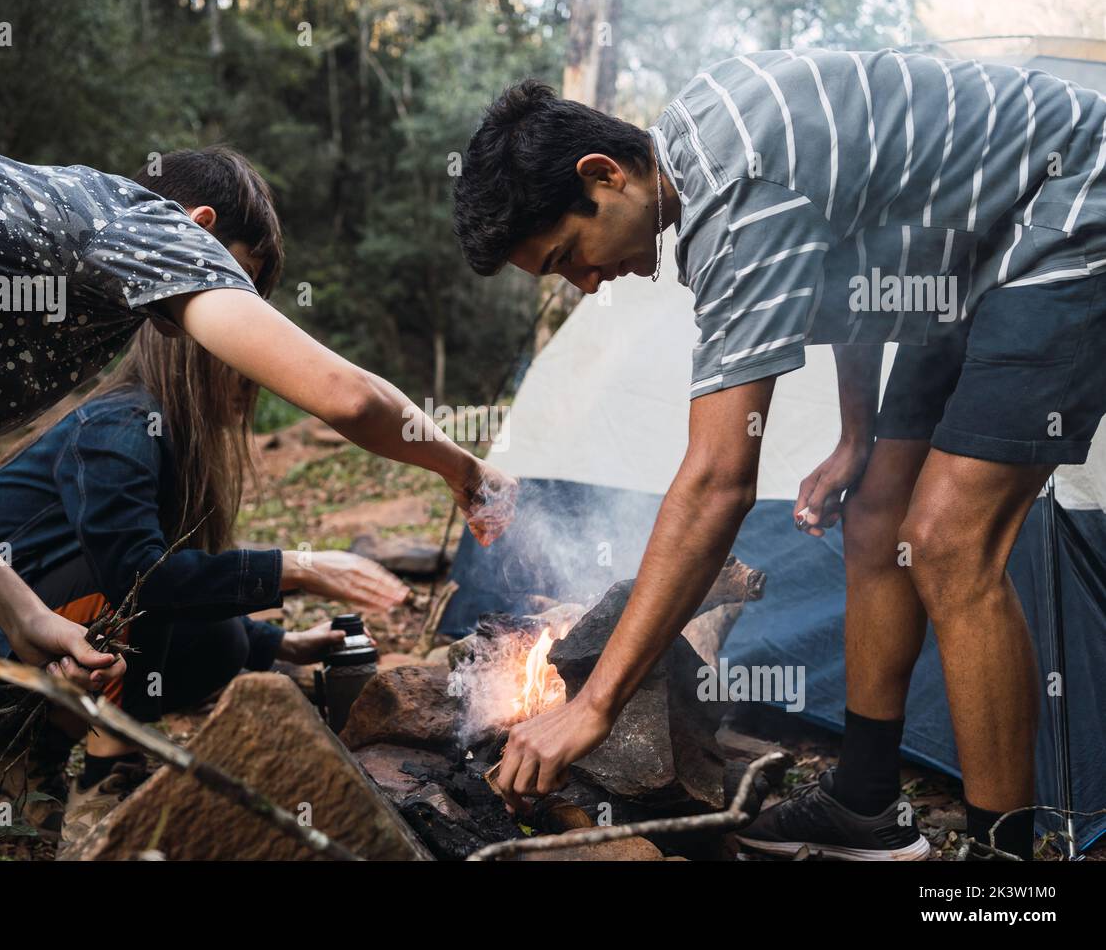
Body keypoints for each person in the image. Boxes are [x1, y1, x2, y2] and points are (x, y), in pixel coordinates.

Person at [452, 48, 1106, 860]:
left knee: (947, 542)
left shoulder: (736, 196)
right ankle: (865, 805)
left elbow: (720, 481)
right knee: (877, 515)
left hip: (1073, 206)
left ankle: (1006, 875)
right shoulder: (699, 147)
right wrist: (856, 436)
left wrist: (596, 705)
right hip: (967, 262)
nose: (586, 285)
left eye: (566, 256)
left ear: (604, 174)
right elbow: (857, 279)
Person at [0, 130, 516, 860]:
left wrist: (24, 619)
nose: (222, 330)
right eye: (233, 282)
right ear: (199, 227)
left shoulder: (42, 310)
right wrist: (466, 471)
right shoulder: (130, 223)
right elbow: (345, 395)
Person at [0, 150, 410, 846]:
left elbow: (160, 593)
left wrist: (279, 643)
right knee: (195, 616)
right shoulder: (123, 423)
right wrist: (302, 566)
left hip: (25, 651)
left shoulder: (158, 431)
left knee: (219, 632)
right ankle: (68, 753)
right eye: (239, 298)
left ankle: (82, 753)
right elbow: (139, 580)